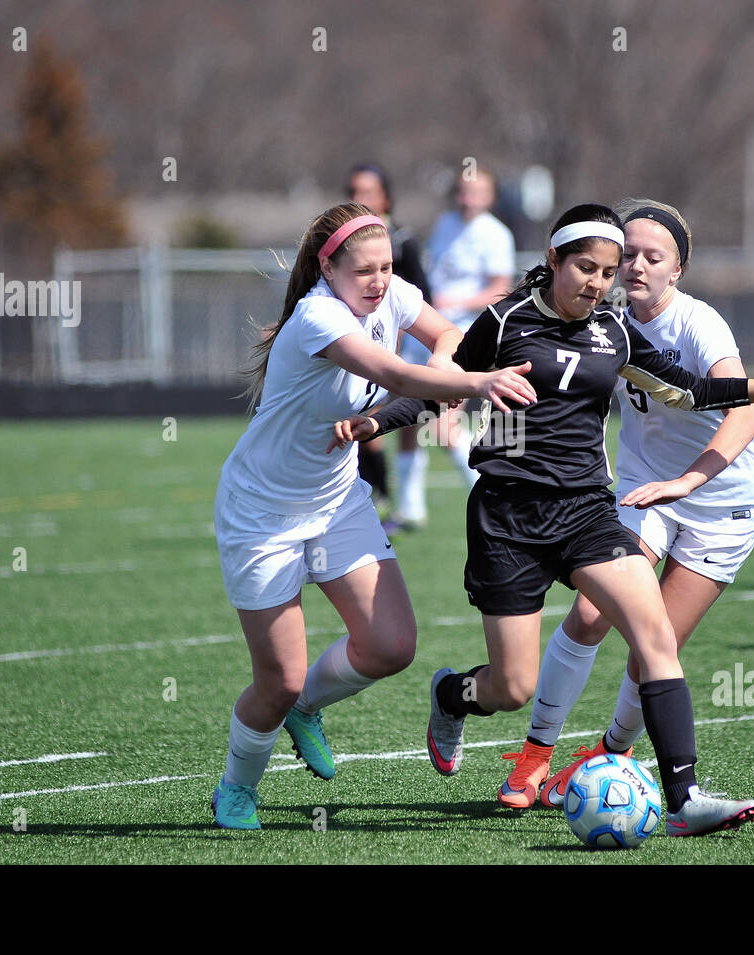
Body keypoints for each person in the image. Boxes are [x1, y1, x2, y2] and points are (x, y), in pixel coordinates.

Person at [331, 204, 754, 835]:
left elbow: (691, 391)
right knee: (511, 687)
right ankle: (453, 696)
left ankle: (682, 796)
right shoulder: (505, 319)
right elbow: (439, 383)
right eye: (586, 268)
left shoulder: (616, 333)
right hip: (508, 516)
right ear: (553, 261)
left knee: (653, 633)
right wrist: (376, 421)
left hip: (587, 512)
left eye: (607, 271)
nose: (598, 282)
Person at [210, 202, 535, 829]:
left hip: (336, 502)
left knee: (391, 645)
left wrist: (442, 371)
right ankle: (236, 788)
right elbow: (390, 370)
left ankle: (307, 708)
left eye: (386, 267)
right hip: (262, 515)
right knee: (275, 680)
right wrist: (469, 385)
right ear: (328, 268)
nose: (380, 281)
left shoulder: (392, 291)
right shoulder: (317, 317)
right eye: (364, 271)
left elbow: (448, 337)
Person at [493, 198, 754, 833]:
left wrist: (687, 481)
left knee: (655, 648)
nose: (637, 266)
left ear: (679, 268)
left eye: (654, 256)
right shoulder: (603, 317)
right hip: (644, 491)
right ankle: (535, 755)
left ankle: (612, 753)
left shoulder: (701, 325)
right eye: (629, 256)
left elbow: (745, 410)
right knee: (591, 613)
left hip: (720, 500)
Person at [391, 167, 517, 531]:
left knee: (443, 422)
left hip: (461, 333)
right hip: (428, 328)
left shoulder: (495, 234)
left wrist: (455, 300)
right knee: (406, 412)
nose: (467, 199)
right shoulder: (445, 222)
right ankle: (410, 506)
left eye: (476, 192)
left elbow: (500, 288)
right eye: (463, 191)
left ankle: (487, 492)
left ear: (489, 196)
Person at [346, 163, 432, 521]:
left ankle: (393, 499)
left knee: (409, 422)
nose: (360, 198)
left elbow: (422, 296)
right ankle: (381, 498)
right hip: (357, 346)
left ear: (385, 196)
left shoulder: (402, 240)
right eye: (354, 191)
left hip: (401, 348)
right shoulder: (341, 244)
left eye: (368, 191)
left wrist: (397, 337)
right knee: (363, 418)